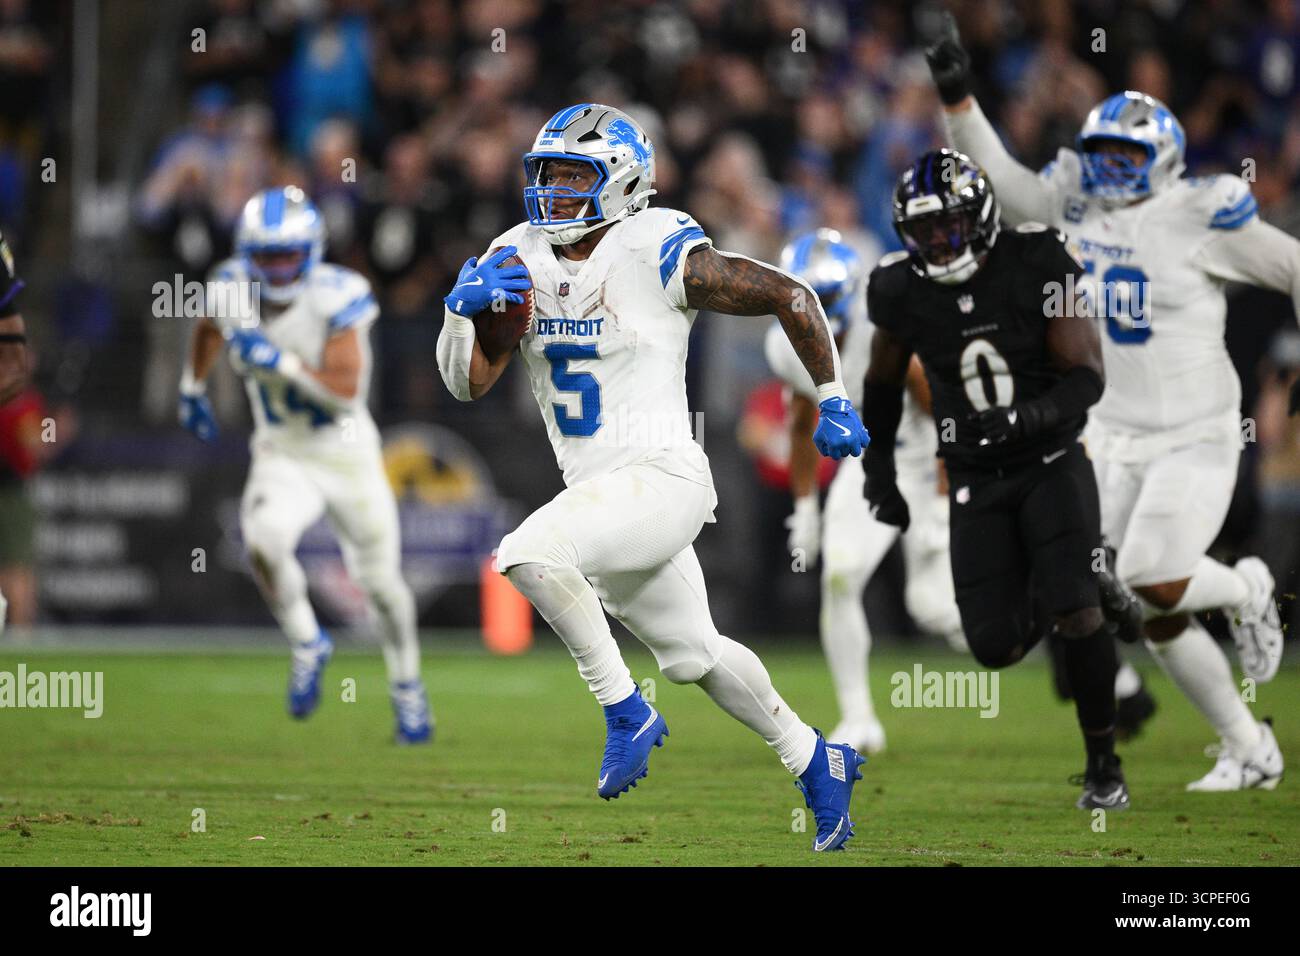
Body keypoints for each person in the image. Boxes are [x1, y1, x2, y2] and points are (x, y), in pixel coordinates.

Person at [436, 104, 868, 851]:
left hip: (664, 477)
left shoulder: (656, 245)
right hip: (601, 495)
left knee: (528, 554)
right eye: (548, 175)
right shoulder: (518, 253)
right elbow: (466, 385)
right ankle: (815, 757)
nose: (556, 193)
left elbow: (789, 295)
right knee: (694, 654)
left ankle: (625, 709)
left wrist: (832, 398)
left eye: (576, 176)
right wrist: (456, 315)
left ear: (623, 181)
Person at [927, 13, 1293, 790]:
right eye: (1103, 154)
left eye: (1130, 153)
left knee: (1157, 574)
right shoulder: (1072, 205)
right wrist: (959, 98)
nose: (1114, 169)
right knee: (1133, 597)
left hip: (1194, 430)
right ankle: (1249, 748)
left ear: (1161, 157)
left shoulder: (1201, 212)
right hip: (1108, 437)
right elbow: (1000, 175)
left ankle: (1249, 587)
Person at [863, 149, 1130, 811]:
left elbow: (1088, 377)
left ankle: (1104, 766)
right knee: (994, 645)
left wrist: (1024, 418)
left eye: (948, 226)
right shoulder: (899, 287)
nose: (936, 241)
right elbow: (882, 383)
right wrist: (879, 471)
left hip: (1050, 460)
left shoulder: (1039, 259)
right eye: (924, 230)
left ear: (980, 218)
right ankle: (1076, 573)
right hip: (975, 477)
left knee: (1078, 614)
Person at [179, 186, 431, 744]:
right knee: (263, 540)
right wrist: (191, 385)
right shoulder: (228, 287)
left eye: (286, 254)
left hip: (345, 450)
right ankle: (307, 641)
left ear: (311, 251)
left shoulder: (340, 294)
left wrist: (281, 362)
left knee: (381, 583)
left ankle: (407, 688)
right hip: (282, 450)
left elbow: (346, 390)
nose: (275, 266)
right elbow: (207, 328)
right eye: (265, 255)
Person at [764, 228, 961, 754]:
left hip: (926, 460)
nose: (815, 312)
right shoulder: (784, 348)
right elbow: (803, 418)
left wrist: (941, 502)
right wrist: (805, 508)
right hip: (871, 461)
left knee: (935, 610)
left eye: (825, 300)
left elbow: (942, 413)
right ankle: (859, 717)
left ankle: (1023, 618)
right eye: (805, 299)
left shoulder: (883, 327)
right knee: (842, 577)